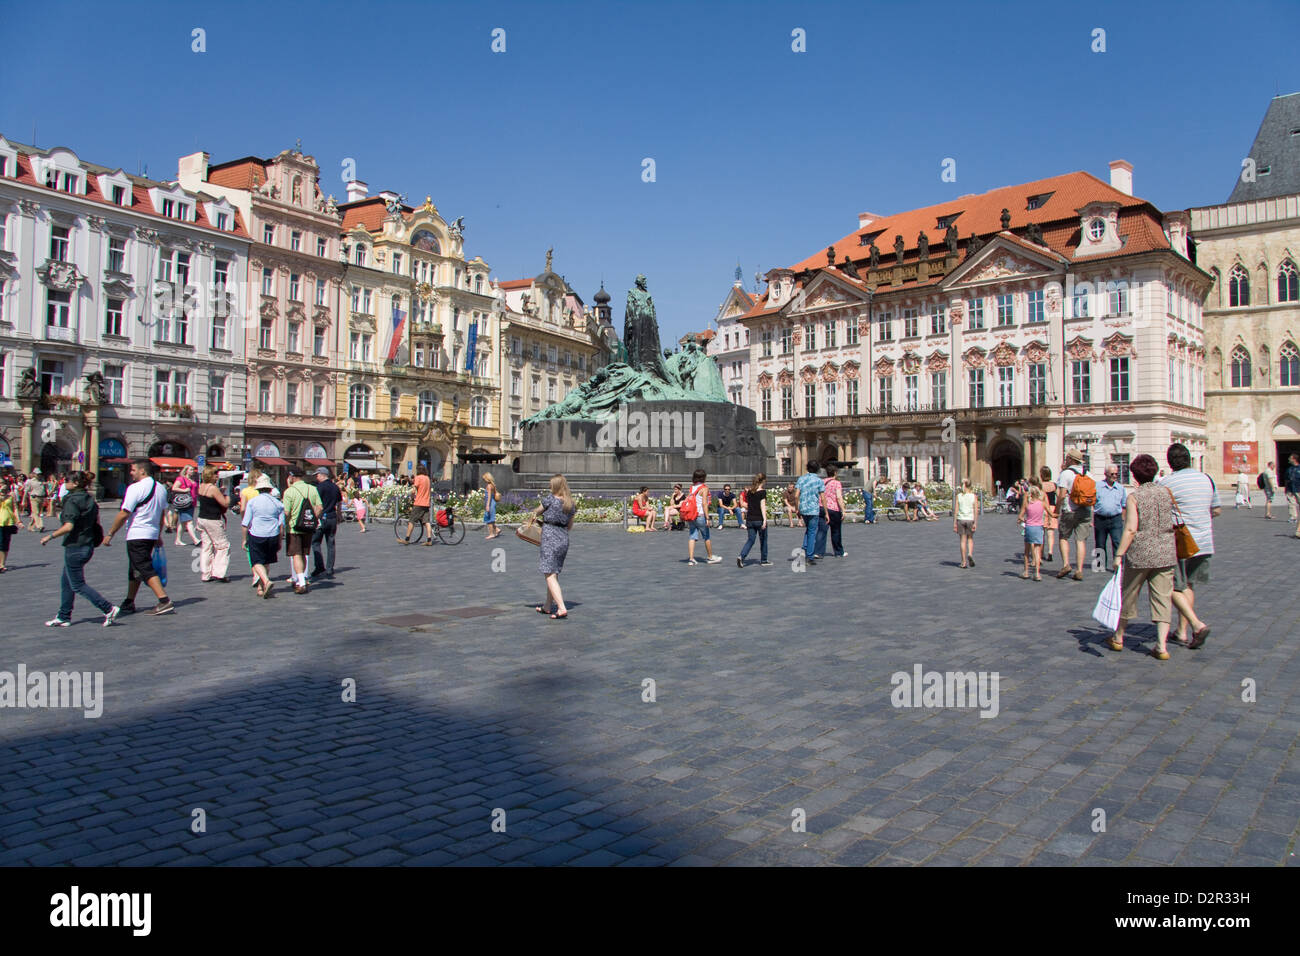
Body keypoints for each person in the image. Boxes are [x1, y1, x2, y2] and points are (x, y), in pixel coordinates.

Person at [1109, 453, 1178, 660]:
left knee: (1128, 595)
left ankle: (1119, 637)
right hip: (1165, 552)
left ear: (1135, 476)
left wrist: (1119, 554)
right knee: (1163, 598)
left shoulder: (1135, 496)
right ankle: (1161, 646)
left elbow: (1130, 528)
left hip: (1140, 553)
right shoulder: (1167, 492)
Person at [40, 472, 119, 627]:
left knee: (77, 585)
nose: (64, 483)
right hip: (87, 544)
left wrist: (49, 537)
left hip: (75, 546)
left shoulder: (72, 500)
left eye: (67, 481)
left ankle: (108, 608)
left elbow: (69, 526)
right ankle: (64, 615)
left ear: (75, 483)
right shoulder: (90, 499)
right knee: (67, 581)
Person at [1159, 442, 1217, 648]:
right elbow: (1216, 509)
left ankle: (1196, 624)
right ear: (1189, 459)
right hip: (1203, 541)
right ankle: (1182, 631)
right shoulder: (1206, 479)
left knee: (1171, 585)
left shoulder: (1167, 483)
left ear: (1170, 462)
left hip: (1180, 542)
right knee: (1189, 585)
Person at [102, 459, 174, 616]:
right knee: (134, 568)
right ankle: (129, 601)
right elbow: (162, 514)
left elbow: (124, 513)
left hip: (137, 533)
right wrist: (158, 534)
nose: (131, 472)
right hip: (151, 533)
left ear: (143, 471)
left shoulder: (135, 488)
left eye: (133, 470)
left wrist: (110, 533)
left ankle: (164, 600)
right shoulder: (161, 488)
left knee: (143, 567)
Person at [533, 473, 576, 619]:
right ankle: (547, 606)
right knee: (553, 572)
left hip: (550, 537)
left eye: (551, 484)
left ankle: (561, 607)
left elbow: (536, 512)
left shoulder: (550, 499)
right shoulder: (570, 504)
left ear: (555, 486)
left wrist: (537, 518)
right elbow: (569, 526)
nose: (549, 487)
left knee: (549, 574)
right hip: (563, 538)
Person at [241, 474, 285, 598]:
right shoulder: (278, 503)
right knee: (266, 562)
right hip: (273, 535)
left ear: (258, 489)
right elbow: (281, 525)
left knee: (256, 561)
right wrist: (280, 540)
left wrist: (244, 539)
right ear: (270, 489)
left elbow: (245, 523)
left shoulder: (253, 502)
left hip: (257, 534)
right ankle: (261, 588)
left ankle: (266, 581)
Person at [282, 467, 323, 593]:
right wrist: (312, 519)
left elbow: (286, 512)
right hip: (308, 526)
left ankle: (301, 582)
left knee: (296, 554)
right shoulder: (312, 488)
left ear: (291, 476)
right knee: (304, 554)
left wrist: (285, 523)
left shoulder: (289, 492)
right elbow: (320, 507)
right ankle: (302, 578)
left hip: (294, 527)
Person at [1054, 448, 1093, 581]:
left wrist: (1056, 511)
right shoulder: (1088, 473)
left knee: (1063, 537)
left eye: (1067, 458)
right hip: (1086, 510)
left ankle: (1066, 564)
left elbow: (1061, 495)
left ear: (1070, 459)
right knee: (1080, 540)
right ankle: (1079, 570)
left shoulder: (1066, 474)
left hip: (1070, 510)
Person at [195, 466, 231, 583]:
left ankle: (205, 574)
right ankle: (219, 573)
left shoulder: (201, 486)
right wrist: (228, 497)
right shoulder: (213, 488)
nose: (217, 475)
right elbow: (224, 503)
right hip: (212, 520)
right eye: (215, 473)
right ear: (210, 475)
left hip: (202, 519)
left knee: (207, 546)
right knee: (223, 546)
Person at [1093, 465, 1128, 573]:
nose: (1114, 476)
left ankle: (1118, 565)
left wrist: (1122, 518)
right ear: (1106, 474)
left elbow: (1124, 505)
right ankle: (1099, 566)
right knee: (1100, 543)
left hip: (1115, 518)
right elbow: (1092, 501)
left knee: (1117, 542)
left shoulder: (1120, 488)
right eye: (1112, 474)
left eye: (1116, 474)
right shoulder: (1098, 486)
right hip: (1100, 518)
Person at [685, 469, 723, 565]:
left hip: (691, 515)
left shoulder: (691, 488)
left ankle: (691, 559)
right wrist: (707, 518)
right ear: (703, 477)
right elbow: (704, 504)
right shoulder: (704, 488)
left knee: (692, 536)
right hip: (700, 515)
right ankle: (710, 557)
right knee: (706, 536)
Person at [310, 467, 342, 579]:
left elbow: (316, 505)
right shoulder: (335, 487)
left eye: (317, 475)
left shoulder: (319, 488)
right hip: (332, 517)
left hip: (321, 518)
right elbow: (339, 502)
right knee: (331, 543)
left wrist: (314, 517)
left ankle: (319, 566)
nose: (316, 477)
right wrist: (339, 515)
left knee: (315, 542)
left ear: (323, 475)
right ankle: (329, 568)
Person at [795, 461, 827, 565]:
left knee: (809, 529)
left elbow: (796, 495)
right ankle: (810, 556)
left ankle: (804, 548)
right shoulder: (819, 481)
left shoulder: (801, 479)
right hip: (813, 509)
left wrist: (797, 508)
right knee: (812, 532)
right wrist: (826, 512)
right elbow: (822, 498)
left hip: (803, 508)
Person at [737, 472, 771, 567]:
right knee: (763, 540)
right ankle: (764, 560)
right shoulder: (762, 492)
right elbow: (762, 506)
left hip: (750, 519)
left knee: (750, 540)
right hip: (759, 518)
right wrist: (764, 520)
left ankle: (741, 556)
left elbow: (746, 504)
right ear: (763, 481)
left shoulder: (749, 492)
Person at [1019, 483, 1045, 580]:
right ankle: (1037, 573)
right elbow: (1051, 514)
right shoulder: (1042, 503)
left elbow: (1021, 516)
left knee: (1027, 551)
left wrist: (1023, 520)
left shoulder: (1027, 504)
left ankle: (1026, 572)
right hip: (1039, 528)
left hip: (1029, 527)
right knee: (1037, 551)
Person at [171, 464, 200, 547]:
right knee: (189, 521)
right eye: (191, 469)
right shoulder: (181, 479)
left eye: (193, 470)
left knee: (183, 523)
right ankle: (195, 540)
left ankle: (178, 540)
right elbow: (174, 488)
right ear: (186, 470)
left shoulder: (193, 480)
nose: (192, 471)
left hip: (192, 503)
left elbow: (196, 490)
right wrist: (184, 490)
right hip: (184, 503)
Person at [404, 465, 433, 546]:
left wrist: (412, 497)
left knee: (412, 520)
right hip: (426, 503)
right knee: (426, 522)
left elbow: (414, 489)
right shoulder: (427, 478)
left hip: (419, 502)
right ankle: (429, 539)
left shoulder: (418, 477)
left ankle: (407, 539)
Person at [822, 465, 846, 557]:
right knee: (836, 531)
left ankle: (819, 551)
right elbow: (839, 497)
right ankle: (838, 552)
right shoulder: (837, 483)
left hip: (823, 508)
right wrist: (843, 510)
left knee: (822, 531)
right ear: (835, 473)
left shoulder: (822, 482)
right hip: (834, 509)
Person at [953, 478, 978, 568]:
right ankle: (970, 554)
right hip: (970, 519)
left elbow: (955, 510)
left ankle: (963, 562)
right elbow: (975, 510)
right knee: (970, 539)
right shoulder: (973, 496)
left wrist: (954, 523)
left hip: (961, 519)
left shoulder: (959, 496)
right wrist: (975, 522)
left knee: (962, 541)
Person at [1040, 466, 1058, 562]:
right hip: (1052, 508)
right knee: (1051, 533)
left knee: (1042, 532)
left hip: (1043, 508)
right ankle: (1050, 551)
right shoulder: (1054, 485)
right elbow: (1058, 496)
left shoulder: (1040, 485)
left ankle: (1041, 552)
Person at [0, 482, 16, 573]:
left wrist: (18, 521)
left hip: (9, 522)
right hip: (0, 523)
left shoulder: (10, 496)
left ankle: (3, 563)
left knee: (6, 543)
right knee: (1, 543)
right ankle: (1, 564)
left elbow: (15, 508)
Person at [482, 473, 502, 539]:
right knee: (491, 518)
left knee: (489, 519)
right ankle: (496, 529)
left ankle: (491, 534)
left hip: (490, 503)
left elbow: (489, 496)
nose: (484, 480)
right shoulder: (493, 485)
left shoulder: (489, 486)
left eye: (484, 478)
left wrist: (487, 505)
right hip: (493, 502)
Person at [1286, 453, 1300, 534]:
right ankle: (1293, 516)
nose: (1289, 459)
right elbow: (1286, 479)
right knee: (1291, 503)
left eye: (1290, 458)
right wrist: (1286, 489)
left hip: (1298, 489)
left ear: (1294, 459)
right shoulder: (1289, 469)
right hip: (1291, 489)